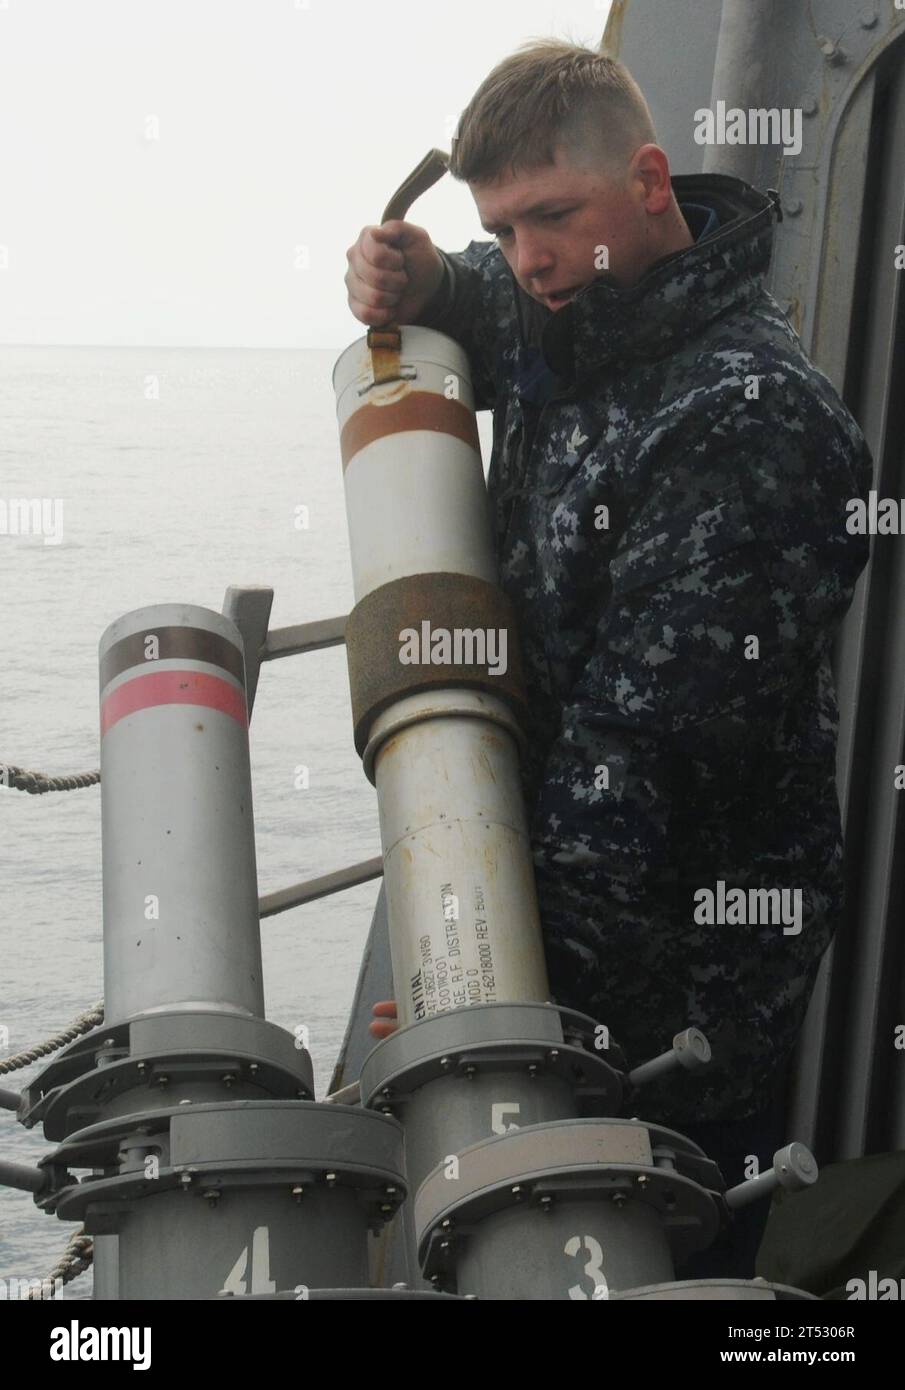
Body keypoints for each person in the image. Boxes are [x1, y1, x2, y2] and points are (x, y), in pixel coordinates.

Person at [344, 38, 873, 1277]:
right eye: (501, 226)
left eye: (549, 217)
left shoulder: (749, 422)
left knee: (633, 1260)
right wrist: (428, 277)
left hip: (671, 998)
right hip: (548, 952)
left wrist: (464, 993)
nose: (527, 258)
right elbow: (514, 311)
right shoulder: (584, 307)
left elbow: (641, 783)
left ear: (648, 183)